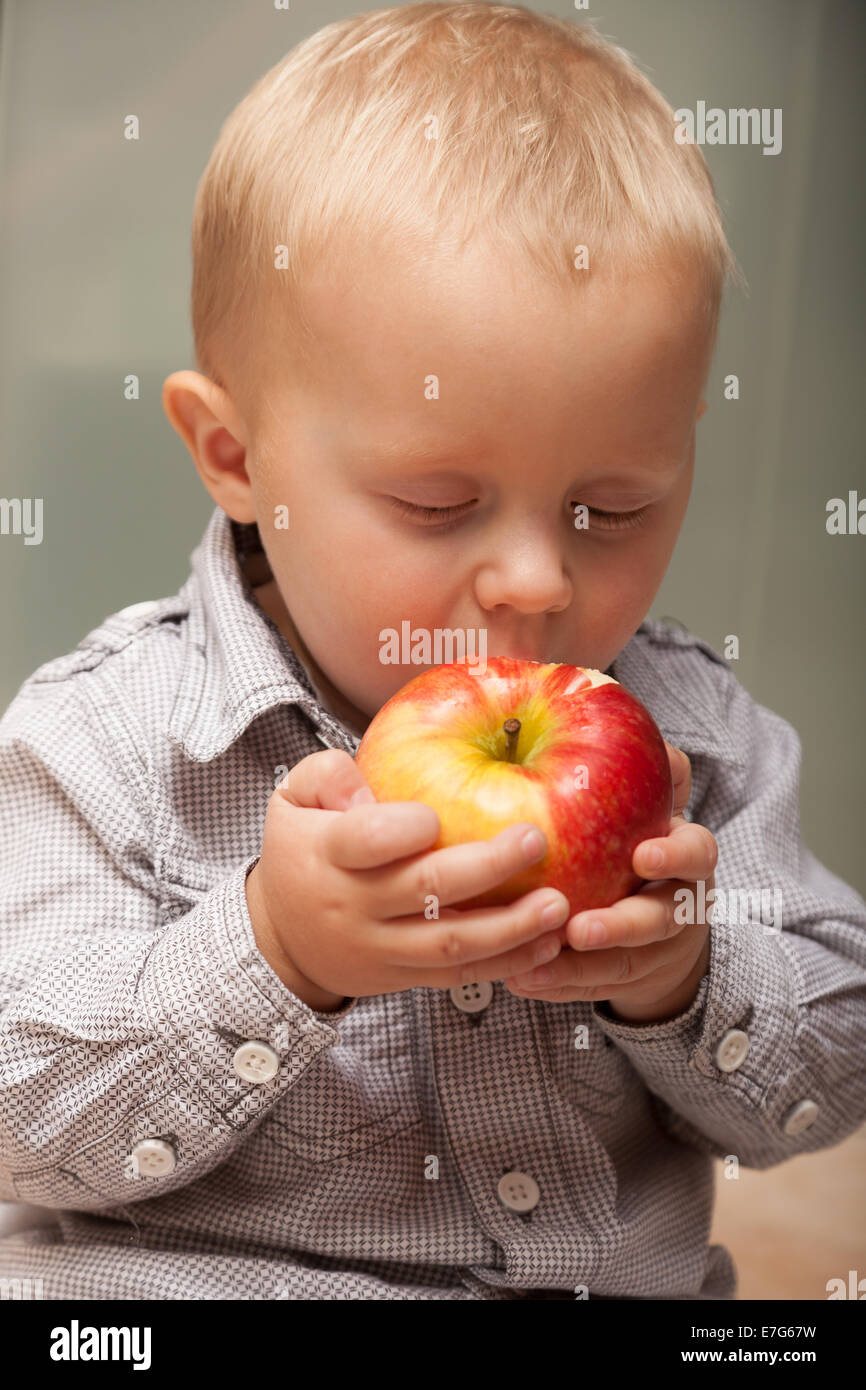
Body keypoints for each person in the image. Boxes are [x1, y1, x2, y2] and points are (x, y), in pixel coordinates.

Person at [1, 3, 863, 1301]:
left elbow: (826, 1085)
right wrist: (271, 953)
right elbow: (22, 1114)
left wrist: (686, 975)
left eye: (610, 507)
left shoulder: (694, 740)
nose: (536, 576)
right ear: (237, 459)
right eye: (435, 504)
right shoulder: (110, 743)